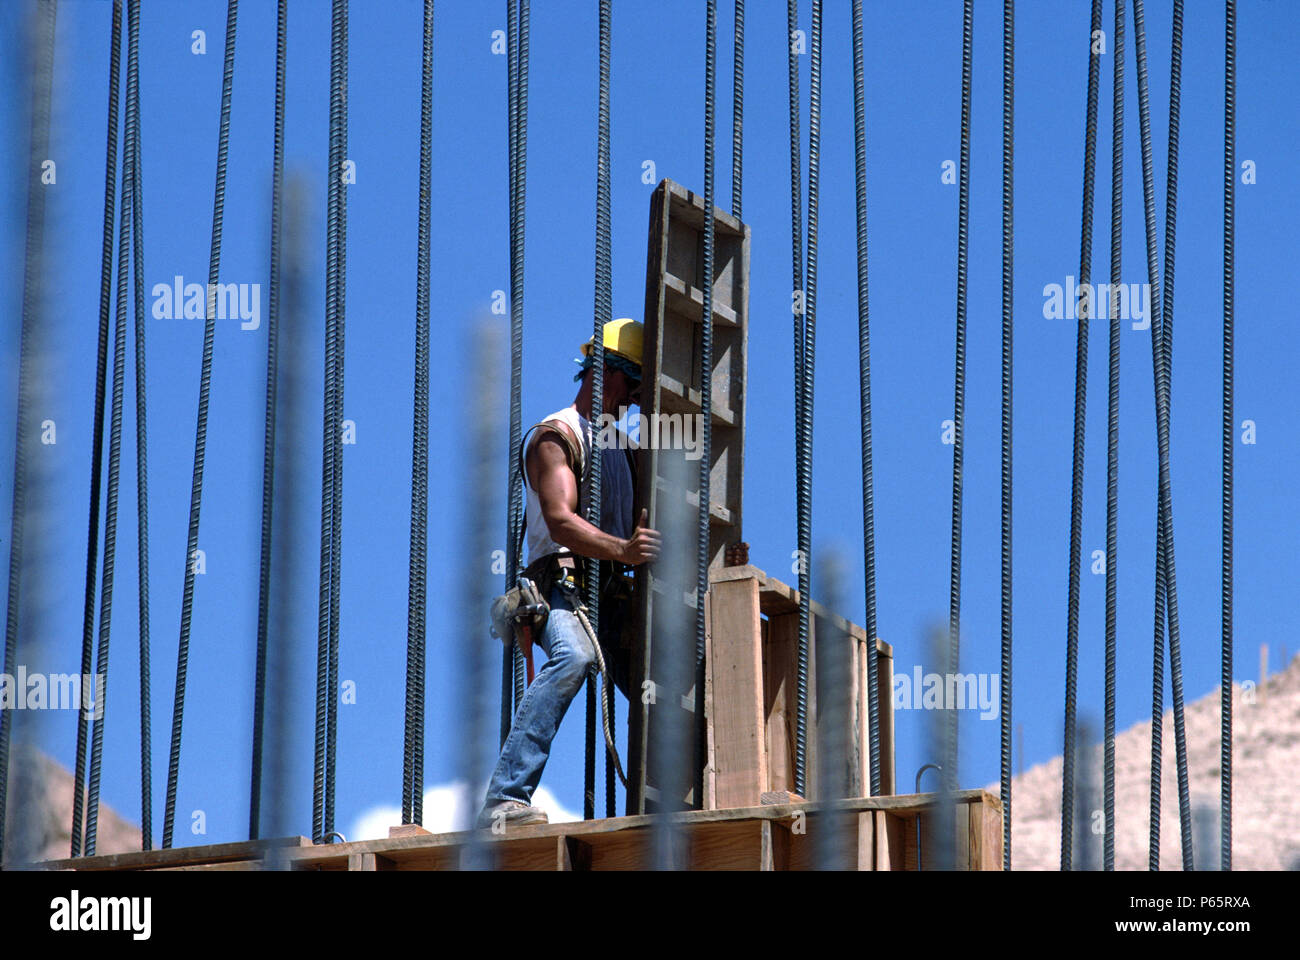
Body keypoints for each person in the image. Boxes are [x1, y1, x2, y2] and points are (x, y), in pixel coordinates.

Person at [476, 318, 661, 829]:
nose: (637, 402)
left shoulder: (623, 449)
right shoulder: (555, 438)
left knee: (665, 684)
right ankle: (505, 797)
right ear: (611, 375)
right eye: (637, 387)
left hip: (614, 592)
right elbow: (560, 520)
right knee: (575, 656)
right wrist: (623, 549)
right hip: (565, 586)